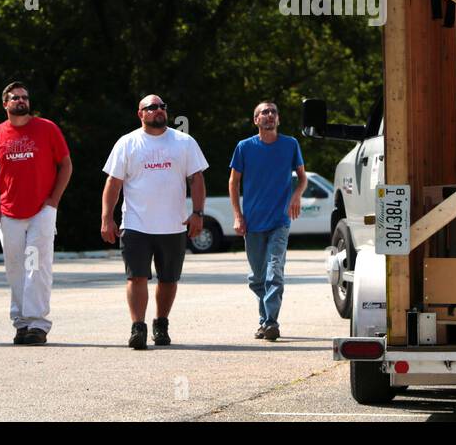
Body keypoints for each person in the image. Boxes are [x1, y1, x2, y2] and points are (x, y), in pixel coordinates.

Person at [100, 95, 207, 350]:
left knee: (169, 279)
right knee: (136, 276)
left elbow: (197, 179)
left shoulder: (183, 142)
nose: (158, 111)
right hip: (136, 224)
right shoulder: (127, 143)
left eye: (162, 107)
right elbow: (113, 183)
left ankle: (161, 323)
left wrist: (198, 213)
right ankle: (138, 327)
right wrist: (107, 218)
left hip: (173, 224)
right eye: (152, 107)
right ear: (140, 114)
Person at [0, 82, 72, 345]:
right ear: (5, 104)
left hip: (41, 210)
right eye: (15, 98)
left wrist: (53, 201)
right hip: (8, 212)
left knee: (37, 266)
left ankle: (37, 325)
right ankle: (21, 323)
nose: (21, 101)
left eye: (25, 97)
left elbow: (65, 164)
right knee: (15, 268)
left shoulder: (47, 128)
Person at [229, 100, 306, 342]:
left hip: (279, 221)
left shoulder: (290, 144)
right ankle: (264, 320)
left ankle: (271, 322)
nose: (269, 115)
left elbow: (302, 178)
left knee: (275, 272)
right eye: (264, 112)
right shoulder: (244, 147)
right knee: (257, 278)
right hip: (252, 222)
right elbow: (234, 183)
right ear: (256, 120)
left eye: (273, 112)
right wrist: (238, 215)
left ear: (278, 119)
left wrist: (296, 195)